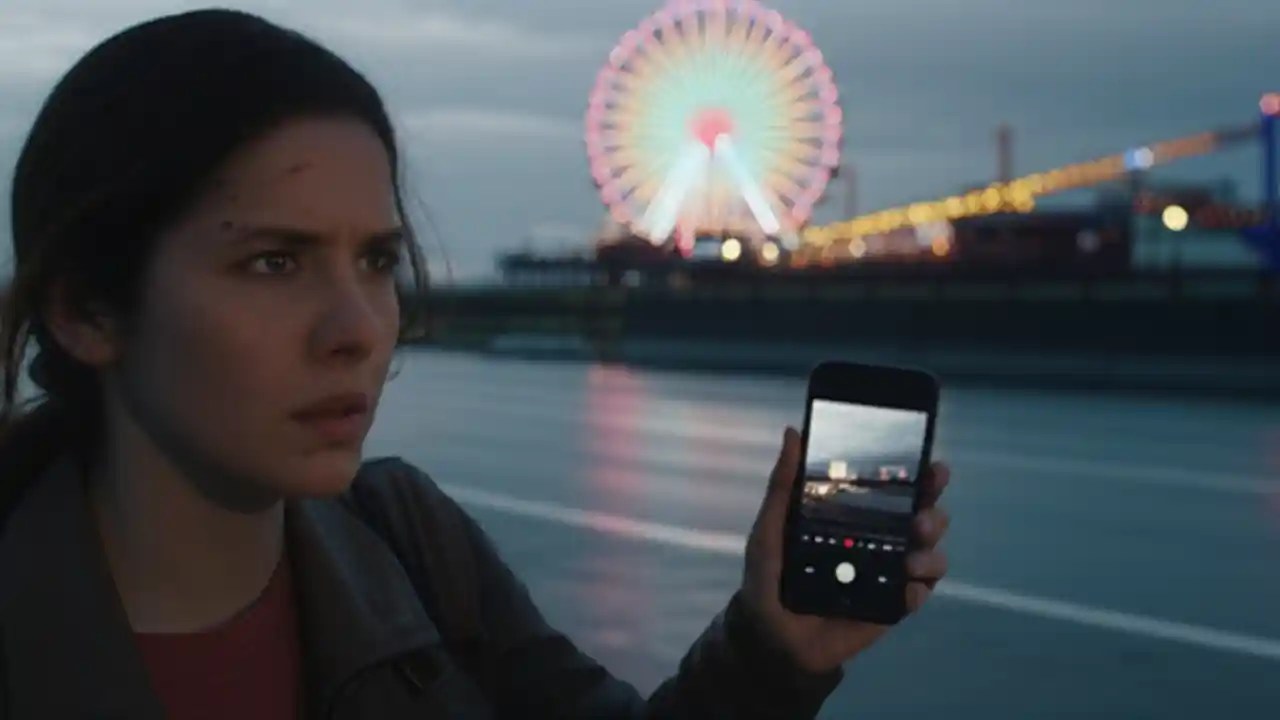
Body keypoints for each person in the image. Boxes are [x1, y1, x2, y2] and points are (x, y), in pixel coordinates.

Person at [0, 9, 951, 719]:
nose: (359, 328)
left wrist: (773, 651)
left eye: (376, 259)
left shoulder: (412, 542)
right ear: (88, 310)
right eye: (274, 262)